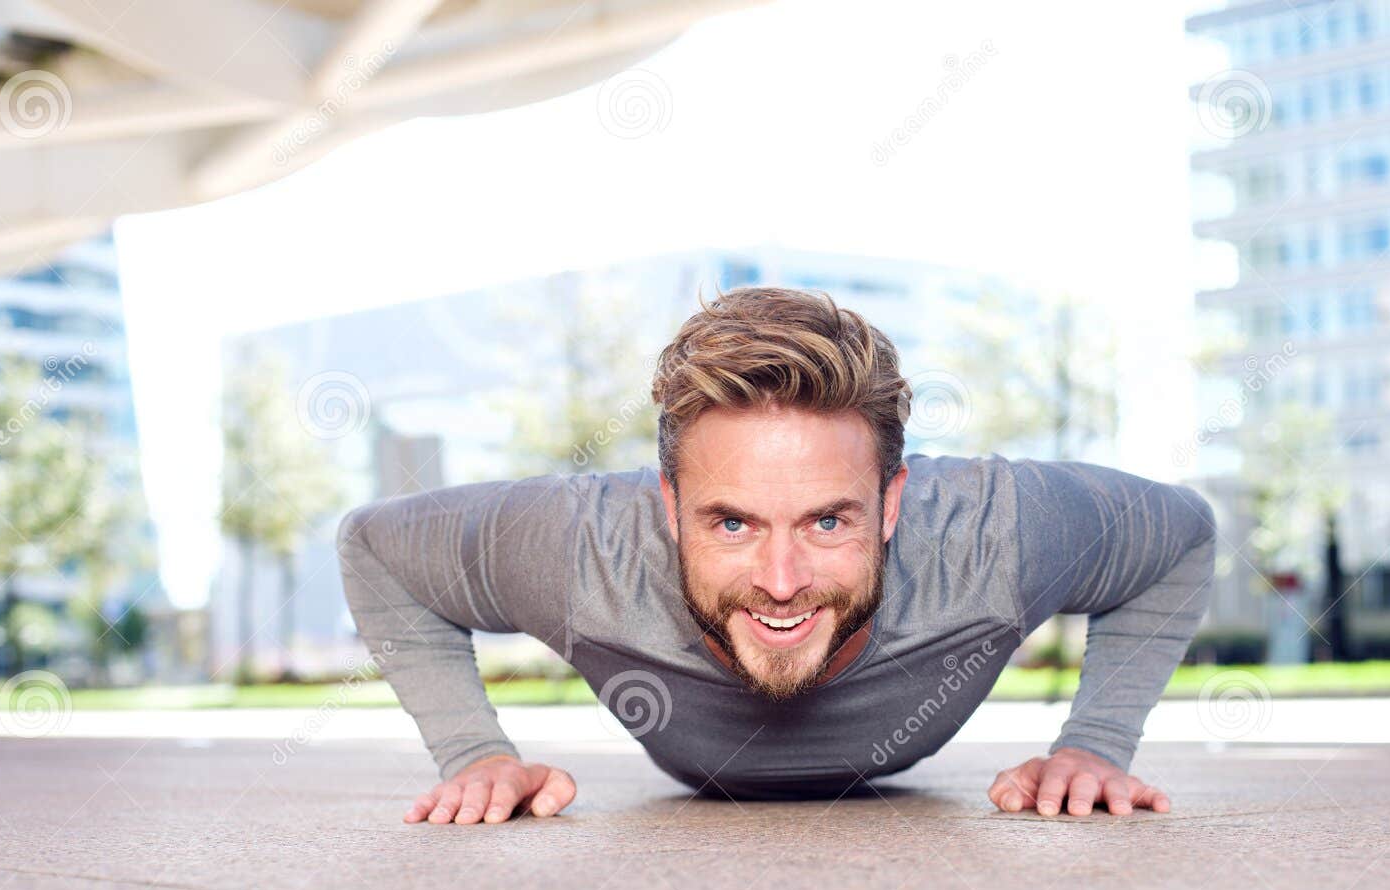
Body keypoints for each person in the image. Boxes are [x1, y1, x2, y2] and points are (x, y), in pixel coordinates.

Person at [337, 286, 1216, 825]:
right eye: (731, 524)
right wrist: (476, 757)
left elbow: (1181, 535)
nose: (783, 584)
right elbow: (374, 548)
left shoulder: (999, 531)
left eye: (828, 522)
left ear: (893, 504)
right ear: (670, 507)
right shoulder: (576, 548)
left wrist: (1096, 745)